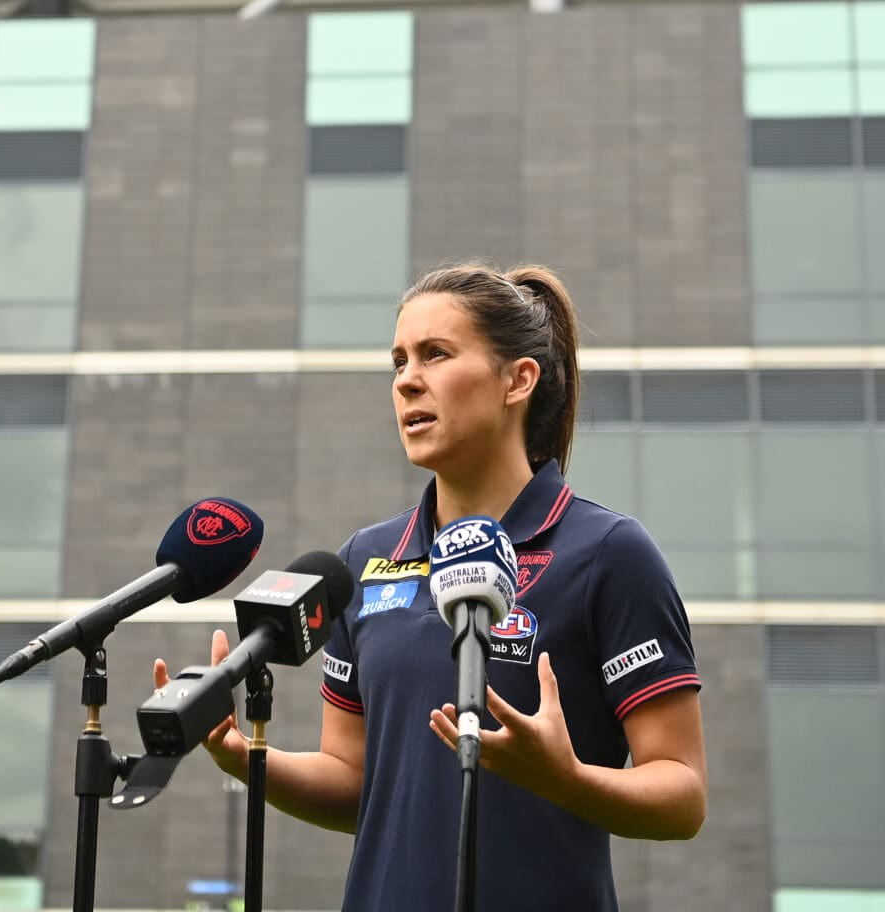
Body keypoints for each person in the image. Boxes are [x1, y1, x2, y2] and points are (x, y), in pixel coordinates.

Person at [153, 262, 707, 911]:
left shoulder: (608, 555)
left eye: (436, 355)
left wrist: (568, 780)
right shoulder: (365, 558)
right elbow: (356, 781)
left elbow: (683, 795)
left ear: (516, 380)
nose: (408, 380)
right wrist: (246, 758)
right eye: (399, 362)